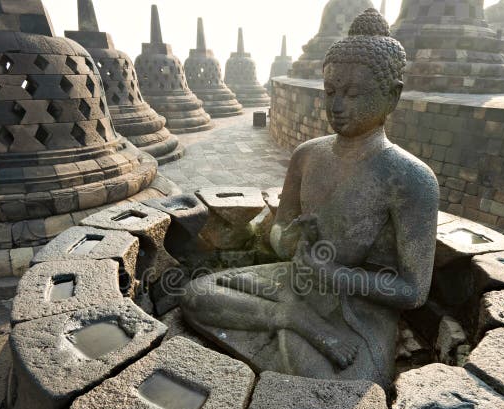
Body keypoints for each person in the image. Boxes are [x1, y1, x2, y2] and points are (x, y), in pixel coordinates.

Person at [181, 8, 439, 386]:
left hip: (356, 309)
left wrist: (337, 275)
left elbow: (413, 290)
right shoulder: (307, 155)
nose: (336, 105)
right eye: (331, 91)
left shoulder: (411, 179)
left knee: (347, 385)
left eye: (353, 94)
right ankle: (289, 320)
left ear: (392, 96)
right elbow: (281, 232)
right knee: (197, 293)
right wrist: (288, 239)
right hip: (295, 283)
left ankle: (285, 339)